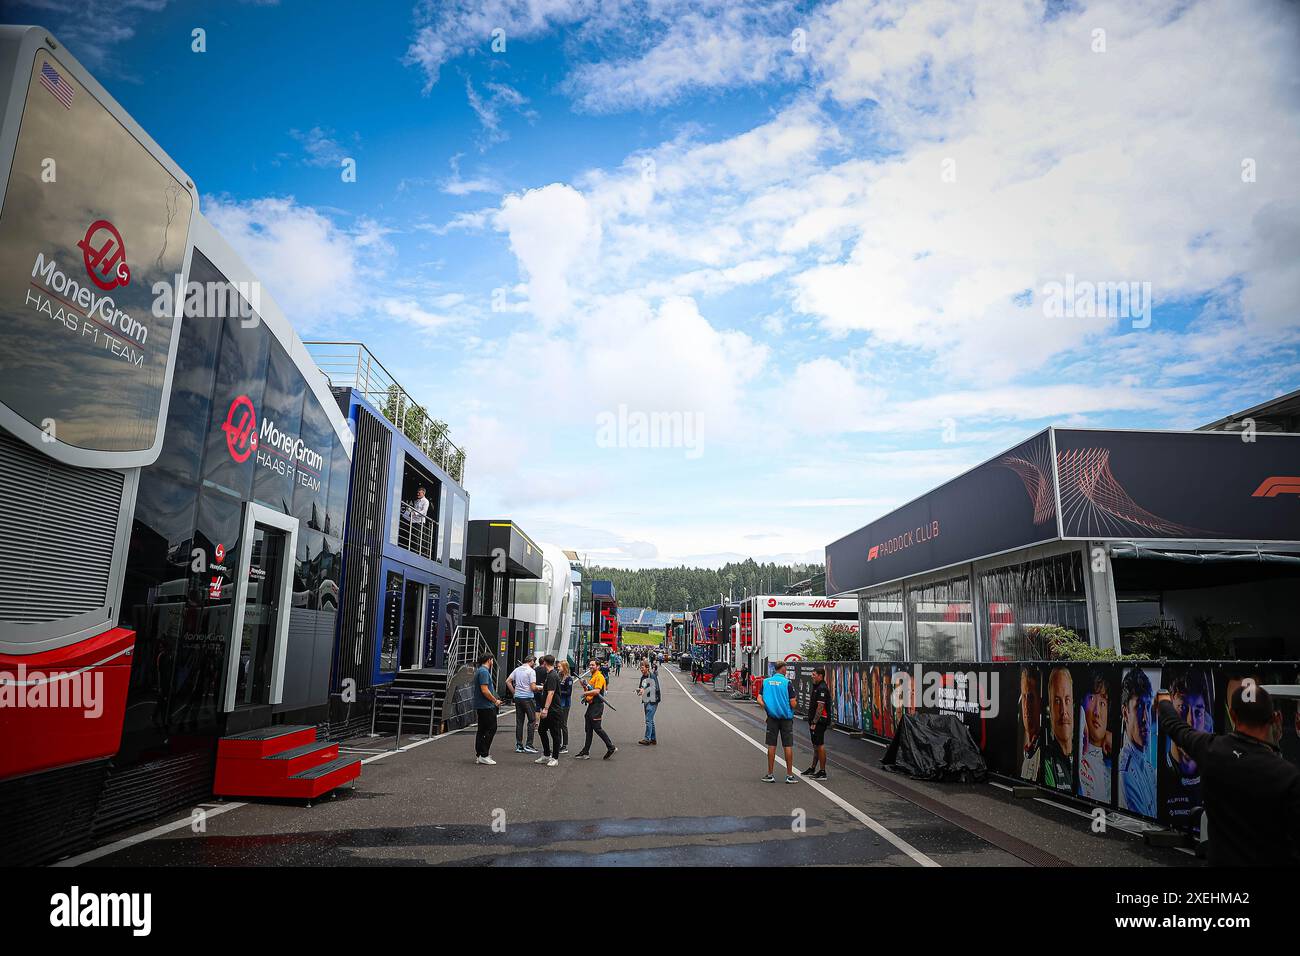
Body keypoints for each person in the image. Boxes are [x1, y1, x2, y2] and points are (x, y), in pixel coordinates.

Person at [1157, 682, 1300, 866]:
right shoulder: (1288, 777)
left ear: (1232, 715)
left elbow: (1175, 726)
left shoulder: (1211, 750)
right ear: (1275, 718)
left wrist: (1164, 701)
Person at [1118, 668, 1156, 817]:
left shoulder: (1148, 768)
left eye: (1148, 706)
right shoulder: (1125, 774)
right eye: (1139, 707)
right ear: (1125, 712)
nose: (1146, 718)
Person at [758, 660, 798, 784]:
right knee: (788, 746)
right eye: (786, 668)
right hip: (786, 718)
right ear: (783, 669)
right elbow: (793, 703)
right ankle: (789, 775)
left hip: (772, 718)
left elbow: (759, 698)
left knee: (771, 745)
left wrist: (767, 707)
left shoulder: (766, 682)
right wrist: (794, 704)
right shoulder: (787, 683)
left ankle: (770, 774)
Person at [575, 660, 616, 760]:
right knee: (588, 729)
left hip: (597, 706)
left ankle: (610, 747)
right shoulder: (593, 676)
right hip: (592, 705)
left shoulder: (599, 677)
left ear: (598, 666)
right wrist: (584, 686)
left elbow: (597, 691)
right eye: (590, 665)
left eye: (593, 665)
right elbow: (589, 690)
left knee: (597, 728)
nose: (590, 666)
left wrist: (585, 694)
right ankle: (585, 752)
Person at [1043, 667, 1073, 792]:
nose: (1063, 710)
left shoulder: (1086, 756)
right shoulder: (1046, 762)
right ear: (1050, 710)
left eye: (1067, 700)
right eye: (1057, 701)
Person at [507, 654, 540, 754]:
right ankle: (529, 745)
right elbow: (533, 687)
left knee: (519, 722)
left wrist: (514, 693)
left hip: (518, 698)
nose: (534, 664)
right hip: (528, 698)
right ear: (531, 661)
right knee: (532, 720)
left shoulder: (517, 670)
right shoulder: (531, 671)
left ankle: (519, 745)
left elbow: (508, 681)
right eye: (534, 662)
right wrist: (541, 688)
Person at [472, 652, 502, 765]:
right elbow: (485, 690)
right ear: (489, 660)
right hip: (486, 705)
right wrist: (495, 701)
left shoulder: (480, 670)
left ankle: (480, 754)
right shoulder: (484, 672)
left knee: (482, 730)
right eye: (492, 660)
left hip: (482, 705)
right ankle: (484, 754)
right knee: (491, 728)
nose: (493, 662)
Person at [803, 666, 831, 779]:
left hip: (820, 721)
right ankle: (813, 767)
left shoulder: (822, 688)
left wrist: (814, 721)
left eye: (814, 675)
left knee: (820, 744)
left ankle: (822, 771)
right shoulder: (816, 686)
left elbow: (820, 707)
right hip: (814, 720)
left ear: (820, 676)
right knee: (815, 745)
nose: (812, 677)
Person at [535, 655, 562, 767]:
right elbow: (549, 690)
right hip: (550, 708)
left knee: (555, 733)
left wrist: (545, 709)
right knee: (541, 730)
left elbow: (551, 693)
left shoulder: (552, 675)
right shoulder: (551, 675)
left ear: (545, 663)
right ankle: (546, 754)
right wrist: (542, 688)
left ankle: (555, 758)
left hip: (553, 709)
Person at [637, 660, 661, 746]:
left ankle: (647, 739)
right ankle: (653, 739)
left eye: (642, 667)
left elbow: (655, 688)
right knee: (650, 720)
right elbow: (641, 687)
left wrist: (645, 690)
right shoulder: (643, 677)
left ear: (647, 668)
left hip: (653, 700)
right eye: (640, 668)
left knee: (648, 720)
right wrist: (639, 690)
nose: (641, 669)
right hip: (646, 700)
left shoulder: (652, 676)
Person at [557, 661, 574, 754]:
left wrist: (558, 691)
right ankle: (558, 743)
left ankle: (565, 745)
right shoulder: (559, 676)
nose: (558, 668)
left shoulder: (569, 679)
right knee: (557, 724)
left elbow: (568, 692)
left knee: (563, 724)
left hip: (565, 704)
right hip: (558, 703)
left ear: (564, 667)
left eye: (559, 666)